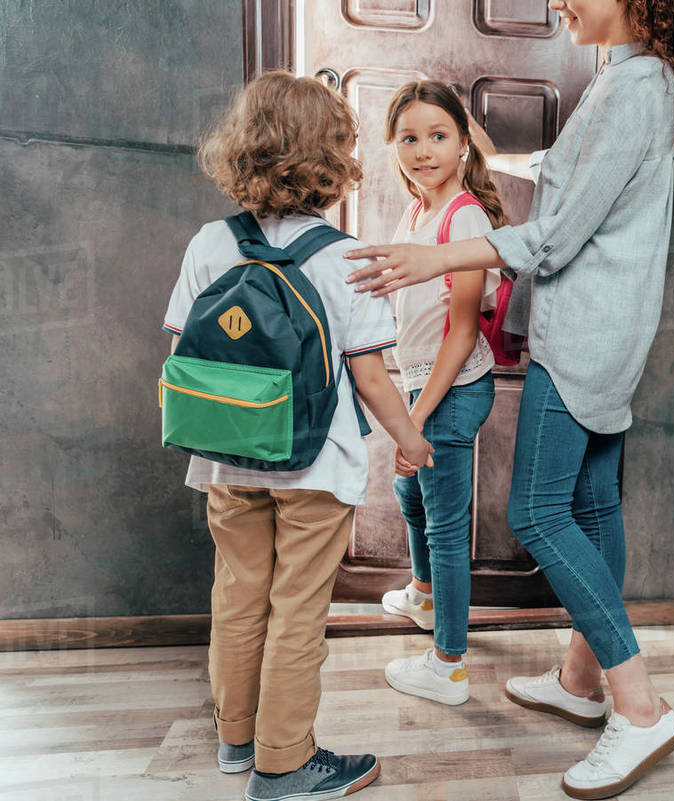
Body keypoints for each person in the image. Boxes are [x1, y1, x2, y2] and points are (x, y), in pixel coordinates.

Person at [345, 0, 674, 796]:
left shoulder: (636, 87)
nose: (559, 1)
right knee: (592, 505)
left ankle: (641, 706)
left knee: (538, 513)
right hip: (596, 328)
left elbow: (556, 236)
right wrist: (496, 153)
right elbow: (567, 173)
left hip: (585, 334)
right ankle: (584, 683)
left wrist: (433, 257)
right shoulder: (623, 79)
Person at [163, 71, 433, 801]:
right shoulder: (346, 256)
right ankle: (285, 764)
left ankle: (237, 738)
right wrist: (410, 439)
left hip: (224, 459)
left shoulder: (209, 243)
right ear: (332, 159)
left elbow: (186, 350)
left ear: (243, 148)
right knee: (297, 609)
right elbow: (372, 377)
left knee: (239, 594)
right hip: (317, 465)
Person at [376, 80, 504, 706]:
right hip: (422, 383)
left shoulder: (465, 217)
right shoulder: (417, 209)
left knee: (446, 526)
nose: (423, 149)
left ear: (461, 144)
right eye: (409, 137)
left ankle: (448, 664)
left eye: (438, 135)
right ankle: (425, 598)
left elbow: (459, 334)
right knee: (409, 491)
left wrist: (414, 422)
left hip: (451, 389)